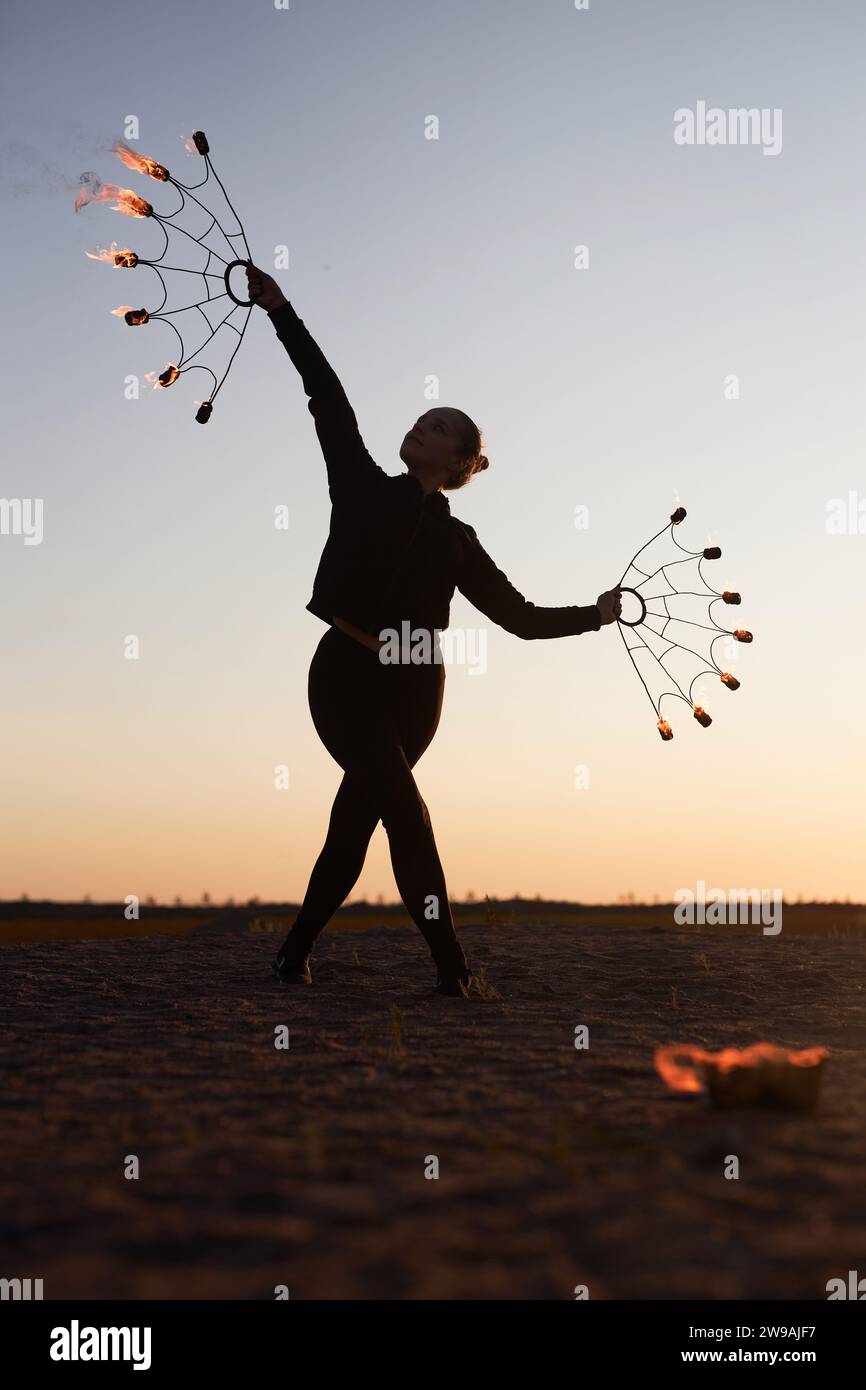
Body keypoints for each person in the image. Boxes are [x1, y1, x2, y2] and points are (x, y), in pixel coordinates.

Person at [246, 263, 622, 996]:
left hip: (419, 685)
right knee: (402, 810)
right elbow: (327, 394)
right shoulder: (357, 482)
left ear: (455, 463)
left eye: (439, 427)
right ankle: (453, 970)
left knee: (359, 818)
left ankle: (292, 954)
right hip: (345, 674)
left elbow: (519, 620)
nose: (422, 424)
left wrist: (596, 615)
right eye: (423, 418)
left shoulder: (459, 541)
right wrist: (281, 308)